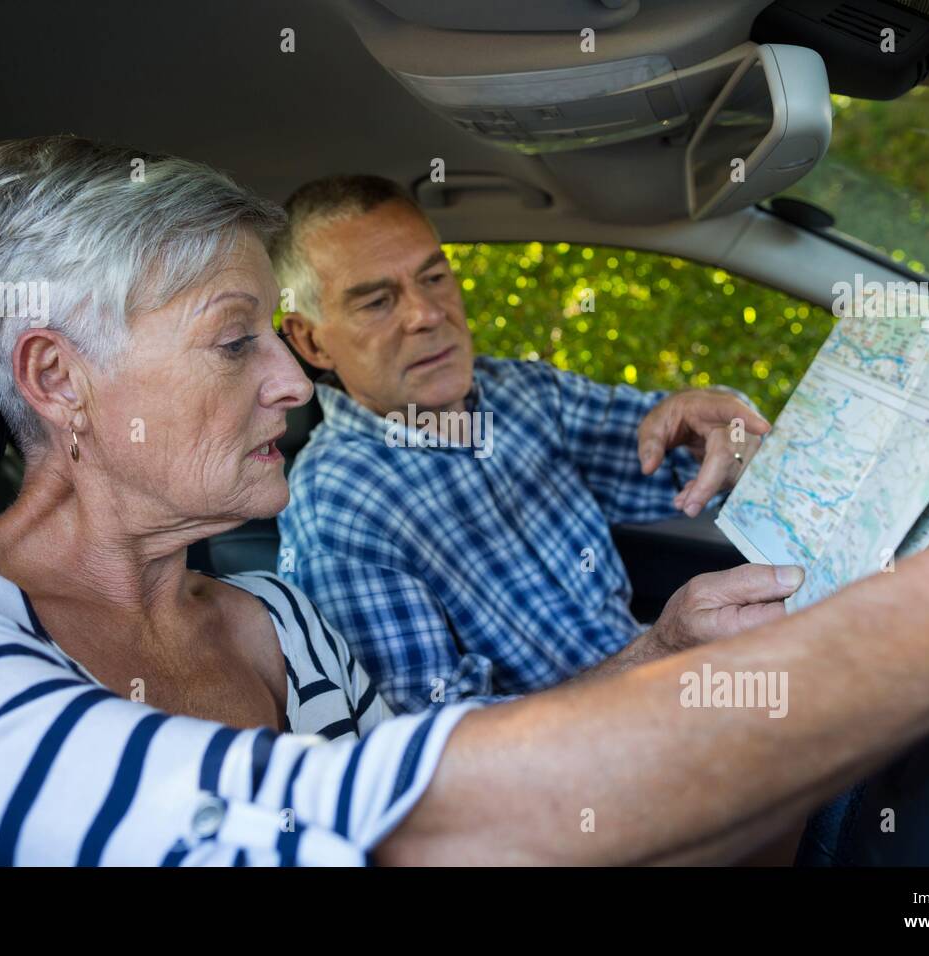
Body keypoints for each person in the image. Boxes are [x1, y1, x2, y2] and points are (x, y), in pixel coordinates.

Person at [0, 135, 929, 867]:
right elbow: (420, 833)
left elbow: (520, 817)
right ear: (59, 380)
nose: (290, 388)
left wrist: (667, 655)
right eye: (236, 342)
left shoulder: (281, 629)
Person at [272, 175, 779, 713]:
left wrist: (721, 429)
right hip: (592, 776)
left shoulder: (520, 393)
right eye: (376, 302)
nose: (427, 314)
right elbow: (443, 753)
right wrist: (660, 655)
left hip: (681, 700)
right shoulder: (337, 510)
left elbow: (687, 444)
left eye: (435, 277)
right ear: (310, 340)